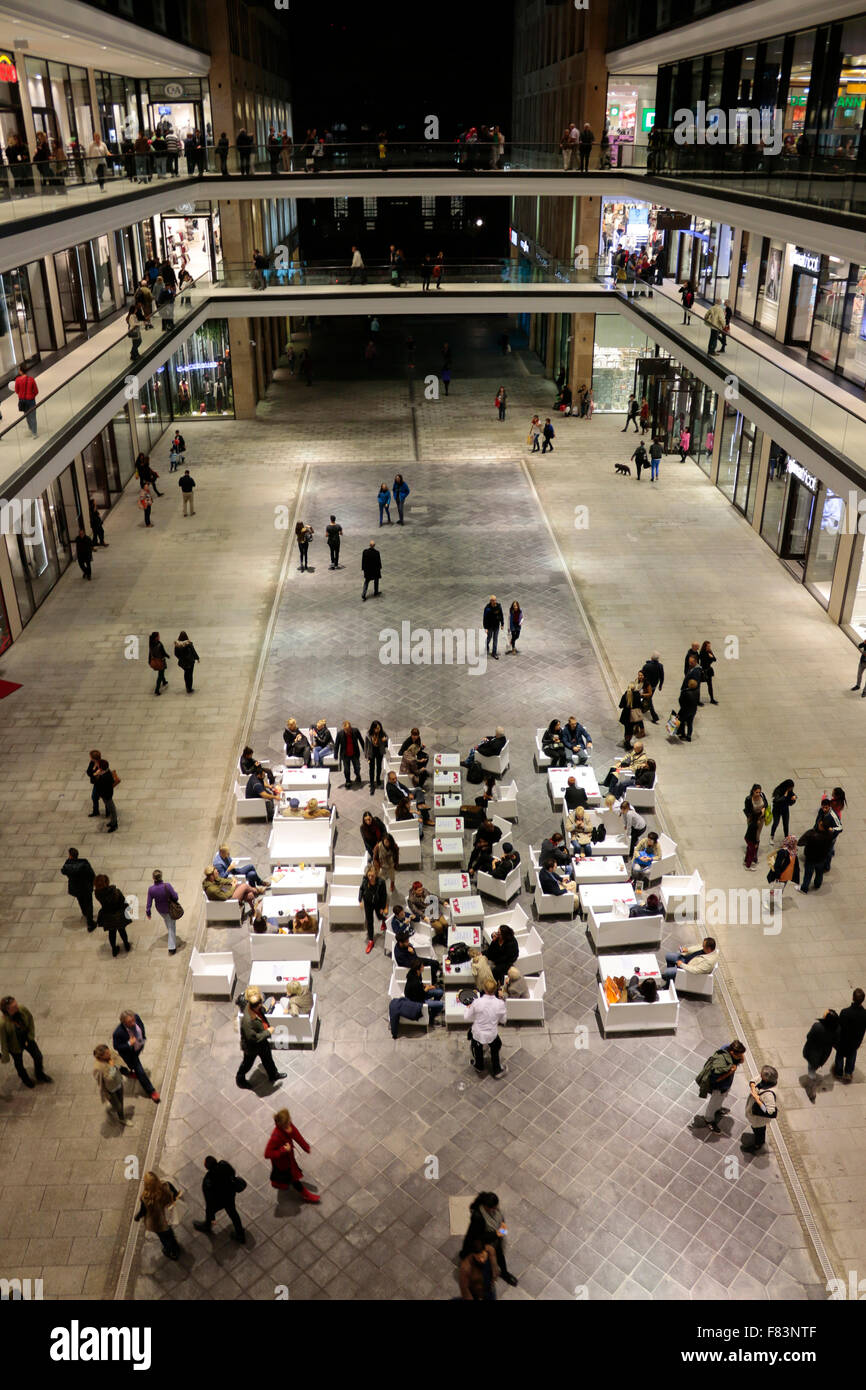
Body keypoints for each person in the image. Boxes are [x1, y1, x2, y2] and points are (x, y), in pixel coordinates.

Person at [461, 1193, 518, 1286]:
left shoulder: (494, 1209)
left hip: (495, 1240)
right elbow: (478, 1237)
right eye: (493, 1208)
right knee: (485, 1264)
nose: (496, 1209)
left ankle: (504, 1273)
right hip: (483, 1245)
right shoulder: (478, 1217)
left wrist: (502, 1225)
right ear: (486, 1207)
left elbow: (500, 1217)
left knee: (500, 1256)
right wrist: (497, 1233)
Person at [264, 1108, 320, 1201]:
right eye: (287, 1124)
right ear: (281, 1125)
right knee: (294, 1179)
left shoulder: (288, 1125)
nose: (290, 1125)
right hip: (283, 1163)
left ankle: (278, 1183)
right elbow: (267, 1154)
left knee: (283, 1174)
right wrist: (283, 1150)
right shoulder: (275, 1137)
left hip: (289, 1159)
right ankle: (306, 1195)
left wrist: (305, 1146)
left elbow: (297, 1135)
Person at [236, 986, 286, 1089]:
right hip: (252, 1047)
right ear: (257, 1005)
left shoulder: (255, 1009)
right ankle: (240, 1079)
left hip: (262, 1043)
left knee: (268, 1059)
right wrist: (268, 1032)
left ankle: (273, 1075)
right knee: (247, 1064)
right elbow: (252, 1038)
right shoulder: (248, 1021)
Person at [693, 1040, 747, 1132]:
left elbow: (741, 1060)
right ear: (732, 1052)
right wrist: (730, 1071)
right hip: (718, 1087)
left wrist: (740, 1055)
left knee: (720, 1099)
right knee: (714, 1103)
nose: (740, 1058)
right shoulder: (721, 1063)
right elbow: (715, 1079)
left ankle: (717, 1109)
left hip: (725, 1085)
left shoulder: (728, 1047)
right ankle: (709, 1120)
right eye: (738, 1055)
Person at [0, 997, 52, 1087]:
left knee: (38, 1056)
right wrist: (5, 1056)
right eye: (14, 1007)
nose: (17, 1007)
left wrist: (31, 1035)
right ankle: (25, 1079)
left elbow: (30, 1020)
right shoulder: (3, 1023)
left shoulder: (22, 1009)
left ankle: (39, 1074)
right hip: (15, 1046)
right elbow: (3, 1040)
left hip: (27, 1039)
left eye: (16, 1004)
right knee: (19, 1064)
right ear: (7, 1010)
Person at [193, 1156, 246, 1242]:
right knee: (233, 1213)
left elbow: (209, 1199)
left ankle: (207, 1226)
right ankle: (240, 1234)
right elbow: (232, 1172)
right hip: (230, 1195)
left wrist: (212, 1216)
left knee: (209, 1211)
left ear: (207, 1167)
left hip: (219, 1201)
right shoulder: (223, 1164)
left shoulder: (208, 1180)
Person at [112, 1009, 159, 1101]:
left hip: (138, 1048)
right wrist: (129, 1043)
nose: (133, 1023)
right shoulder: (118, 1033)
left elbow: (141, 1026)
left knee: (129, 1066)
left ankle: (125, 1071)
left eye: (133, 1020)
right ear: (124, 1023)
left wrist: (143, 1038)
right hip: (129, 1054)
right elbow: (116, 1046)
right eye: (130, 1022)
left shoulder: (136, 1017)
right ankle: (151, 1091)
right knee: (140, 1072)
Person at [465, 979, 508, 1078]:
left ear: (484, 989)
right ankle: (497, 1069)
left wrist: (468, 1008)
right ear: (496, 990)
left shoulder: (477, 1002)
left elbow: (467, 1017)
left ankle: (479, 1066)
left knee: (477, 1048)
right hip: (491, 1033)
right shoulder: (500, 1004)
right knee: (495, 1047)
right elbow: (503, 1020)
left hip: (478, 1033)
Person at [134, 1172, 181, 1259]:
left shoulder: (145, 1198)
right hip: (168, 1217)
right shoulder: (166, 1185)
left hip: (157, 1223)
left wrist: (137, 1217)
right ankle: (175, 1247)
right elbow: (175, 1194)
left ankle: (170, 1250)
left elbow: (143, 1211)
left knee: (164, 1238)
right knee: (169, 1233)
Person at [802, 1009, 840, 1102]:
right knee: (813, 1068)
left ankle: (811, 1091)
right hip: (823, 1055)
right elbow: (835, 1042)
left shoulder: (817, 1027)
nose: (824, 1013)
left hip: (813, 1053)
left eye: (825, 1013)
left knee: (811, 1071)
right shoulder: (837, 1029)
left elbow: (809, 1036)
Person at [740, 1066, 779, 1152]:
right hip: (753, 1109)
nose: (759, 1076)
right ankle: (759, 1138)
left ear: (766, 1079)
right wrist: (753, 1088)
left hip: (759, 1118)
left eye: (761, 1075)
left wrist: (757, 1099)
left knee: (759, 1130)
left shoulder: (769, 1095)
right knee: (758, 1129)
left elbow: (769, 1111)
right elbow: (753, 1081)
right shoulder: (765, 1080)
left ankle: (758, 1144)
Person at [146, 869, 182, 956]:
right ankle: (171, 947)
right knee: (171, 927)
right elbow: (175, 897)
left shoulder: (151, 889)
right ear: (161, 876)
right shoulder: (167, 886)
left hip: (161, 910)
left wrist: (148, 913)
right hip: (170, 909)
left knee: (167, 921)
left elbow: (149, 903)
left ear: (153, 878)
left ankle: (169, 931)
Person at [94, 874, 132, 956]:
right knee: (122, 930)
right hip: (119, 915)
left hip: (107, 916)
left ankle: (114, 949)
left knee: (112, 933)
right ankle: (126, 945)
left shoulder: (97, 893)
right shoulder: (116, 892)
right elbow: (123, 902)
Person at [93, 1043, 130, 1125]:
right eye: (107, 1053)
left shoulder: (110, 1054)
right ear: (101, 1056)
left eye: (108, 1051)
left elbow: (118, 1058)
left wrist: (122, 1066)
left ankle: (114, 1106)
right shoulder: (98, 1067)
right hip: (110, 1089)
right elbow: (107, 1079)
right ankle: (122, 1119)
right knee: (119, 1106)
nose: (109, 1053)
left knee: (120, 1100)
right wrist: (112, 1067)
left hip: (118, 1082)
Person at [834, 988, 866, 1083]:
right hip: (855, 1041)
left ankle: (839, 1072)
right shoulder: (865, 1014)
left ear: (852, 998)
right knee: (852, 1054)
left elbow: (839, 1027)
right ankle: (848, 1072)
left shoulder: (845, 1012)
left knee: (839, 1055)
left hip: (843, 1040)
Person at [62, 847, 96, 930]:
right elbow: (91, 874)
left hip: (76, 888)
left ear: (70, 856)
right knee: (89, 903)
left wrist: (69, 861)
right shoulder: (84, 863)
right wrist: (93, 883)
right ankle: (90, 922)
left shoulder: (67, 865)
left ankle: (84, 912)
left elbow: (63, 871)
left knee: (80, 900)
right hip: (86, 887)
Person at [404, 960, 444, 1024]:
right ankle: (431, 1017)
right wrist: (427, 988)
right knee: (441, 1004)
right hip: (417, 1000)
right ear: (418, 969)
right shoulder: (414, 982)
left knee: (440, 992)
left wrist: (427, 986)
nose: (423, 967)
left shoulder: (417, 974)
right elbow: (421, 994)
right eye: (422, 967)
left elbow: (420, 984)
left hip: (420, 993)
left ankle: (433, 1009)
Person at [796, 824, 833, 895]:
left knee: (808, 874)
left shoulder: (812, 835)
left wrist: (810, 831)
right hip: (821, 858)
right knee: (819, 872)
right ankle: (817, 884)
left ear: (822, 827)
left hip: (811, 859)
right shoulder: (829, 835)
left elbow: (800, 842)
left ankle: (804, 888)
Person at [359, 866, 388, 954]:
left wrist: (383, 907)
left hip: (377, 902)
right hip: (368, 903)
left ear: (376, 874)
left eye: (372, 876)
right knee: (369, 921)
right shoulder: (365, 880)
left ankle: (384, 921)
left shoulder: (381, 882)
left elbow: (384, 895)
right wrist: (360, 900)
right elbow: (361, 889)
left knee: (379, 916)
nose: (370, 878)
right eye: (369, 876)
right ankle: (371, 940)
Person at [743, 784, 768, 869]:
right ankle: (751, 852)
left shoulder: (762, 795)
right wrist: (761, 812)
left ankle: (754, 853)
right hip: (753, 820)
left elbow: (766, 804)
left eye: (759, 792)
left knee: (757, 835)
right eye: (756, 792)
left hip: (761, 820)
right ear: (753, 791)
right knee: (752, 835)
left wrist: (764, 809)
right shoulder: (749, 799)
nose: (758, 793)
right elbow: (750, 812)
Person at [335, 720, 363, 787]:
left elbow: (361, 741)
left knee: (357, 767)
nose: (347, 732)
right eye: (346, 730)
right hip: (345, 755)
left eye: (348, 730)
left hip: (355, 754)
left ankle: (358, 776)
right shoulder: (340, 734)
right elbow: (336, 745)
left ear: (350, 728)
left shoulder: (355, 731)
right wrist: (335, 754)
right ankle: (348, 781)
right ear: (344, 729)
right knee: (346, 769)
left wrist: (366, 751)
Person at [94, 757, 119, 832]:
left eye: (98, 765)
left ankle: (114, 825)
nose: (97, 766)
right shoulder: (105, 772)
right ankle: (112, 822)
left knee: (112, 810)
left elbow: (98, 785)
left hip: (107, 795)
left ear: (101, 768)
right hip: (105, 794)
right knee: (110, 808)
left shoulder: (105, 776)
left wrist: (96, 776)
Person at [365, 720, 388, 796]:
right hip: (371, 752)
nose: (378, 729)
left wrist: (385, 740)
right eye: (377, 728)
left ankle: (378, 779)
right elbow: (366, 746)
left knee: (379, 766)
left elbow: (387, 740)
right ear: (373, 728)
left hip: (379, 751)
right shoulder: (368, 734)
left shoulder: (382, 733)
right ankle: (372, 784)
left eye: (379, 728)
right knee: (371, 768)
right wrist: (366, 755)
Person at [13, 369, 38, 436]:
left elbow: (16, 390)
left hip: (23, 400)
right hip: (31, 400)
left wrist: (21, 395)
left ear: (21, 371)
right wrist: (32, 396)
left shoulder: (18, 380)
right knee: (33, 416)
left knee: (27, 415)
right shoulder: (31, 379)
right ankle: (34, 432)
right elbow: (36, 391)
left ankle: (30, 427)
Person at [677, 678, 700, 742]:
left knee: (681, 722)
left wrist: (682, 707)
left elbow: (680, 701)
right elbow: (697, 700)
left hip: (685, 710)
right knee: (690, 723)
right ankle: (689, 736)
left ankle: (683, 734)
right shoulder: (697, 691)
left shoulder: (685, 692)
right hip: (693, 710)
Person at [482, 595, 504, 660]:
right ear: (490, 601)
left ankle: (494, 653)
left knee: (495, 639)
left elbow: (501, 615)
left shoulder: (498, 606)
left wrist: (502, 624)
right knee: (489, 638)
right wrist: (485, 628)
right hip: (489, 626)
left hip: (496, 626)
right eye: (493, 600)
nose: (495, 601)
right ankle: (486, 646)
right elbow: (485, 618)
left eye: (495, 600)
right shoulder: (487, 608)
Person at [148, 631, 169, 696]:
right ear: (156, 638)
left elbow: (150, 653)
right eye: (158, 636)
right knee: (160, 674)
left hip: (155, 661)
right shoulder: (159, 644)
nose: (159, 637)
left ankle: (164, 681)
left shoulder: (151, 644)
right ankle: (157, 690)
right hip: (160, 661)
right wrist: (167, 656)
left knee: (161, 672)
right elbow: (163, 652)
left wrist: (149, 661)